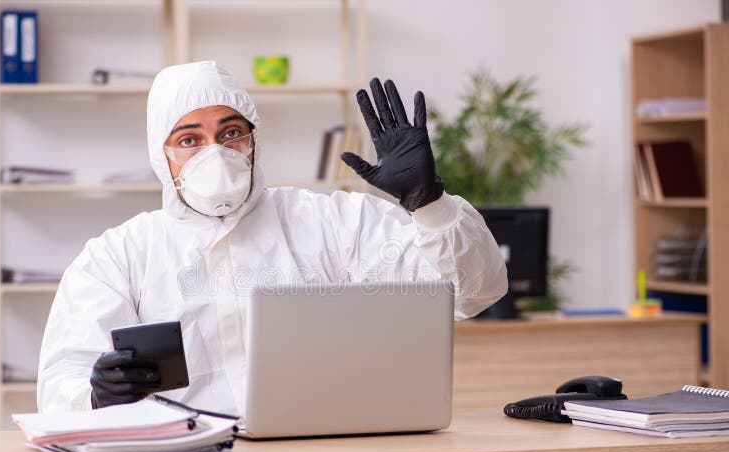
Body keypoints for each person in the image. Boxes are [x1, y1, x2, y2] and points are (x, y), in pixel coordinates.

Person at [37, 61, 507, 414]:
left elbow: (471, 294)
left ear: (254, 140)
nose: (215, 153)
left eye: (232, 132)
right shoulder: (119, 255)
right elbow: (61, 385)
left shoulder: (332, 221)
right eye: (189, 140)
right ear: (162, 157)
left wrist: (429, 204)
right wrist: (95, 394)